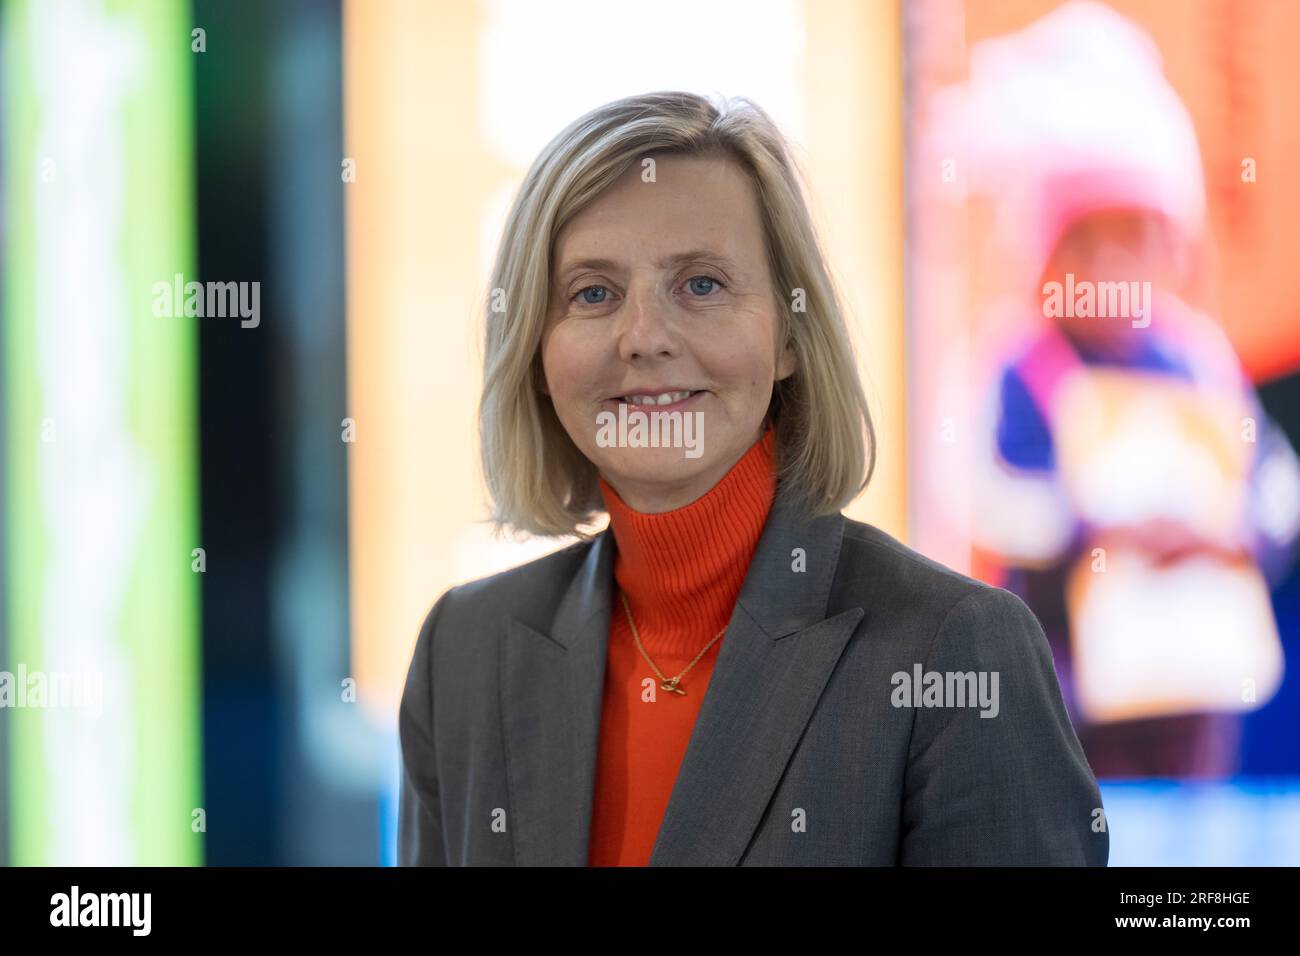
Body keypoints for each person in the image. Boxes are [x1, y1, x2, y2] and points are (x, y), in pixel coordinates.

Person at [397, 91, 1108, 866]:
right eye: (592, 293)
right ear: (537, 353)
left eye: (701, 284)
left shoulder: (954, 649)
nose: (643, 337)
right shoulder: (463, 651)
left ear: (790, 338)